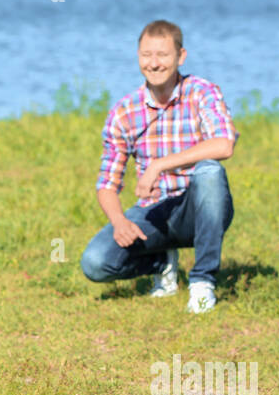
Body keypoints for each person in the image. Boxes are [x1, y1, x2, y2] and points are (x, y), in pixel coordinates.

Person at [80, 19, 237, 314]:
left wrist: (159, 166)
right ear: (138, 57)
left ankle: (202, 283)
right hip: (153, 213)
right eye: (146, 55)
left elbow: (223, 145)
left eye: (163, 55)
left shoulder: (202, 93)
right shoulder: (124, 112)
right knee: (95, 263)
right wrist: (119, 222)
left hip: (200, 208)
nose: (154, 64)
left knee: (210, 172)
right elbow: (107, 184)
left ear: (181, 56)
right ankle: (161, 262)